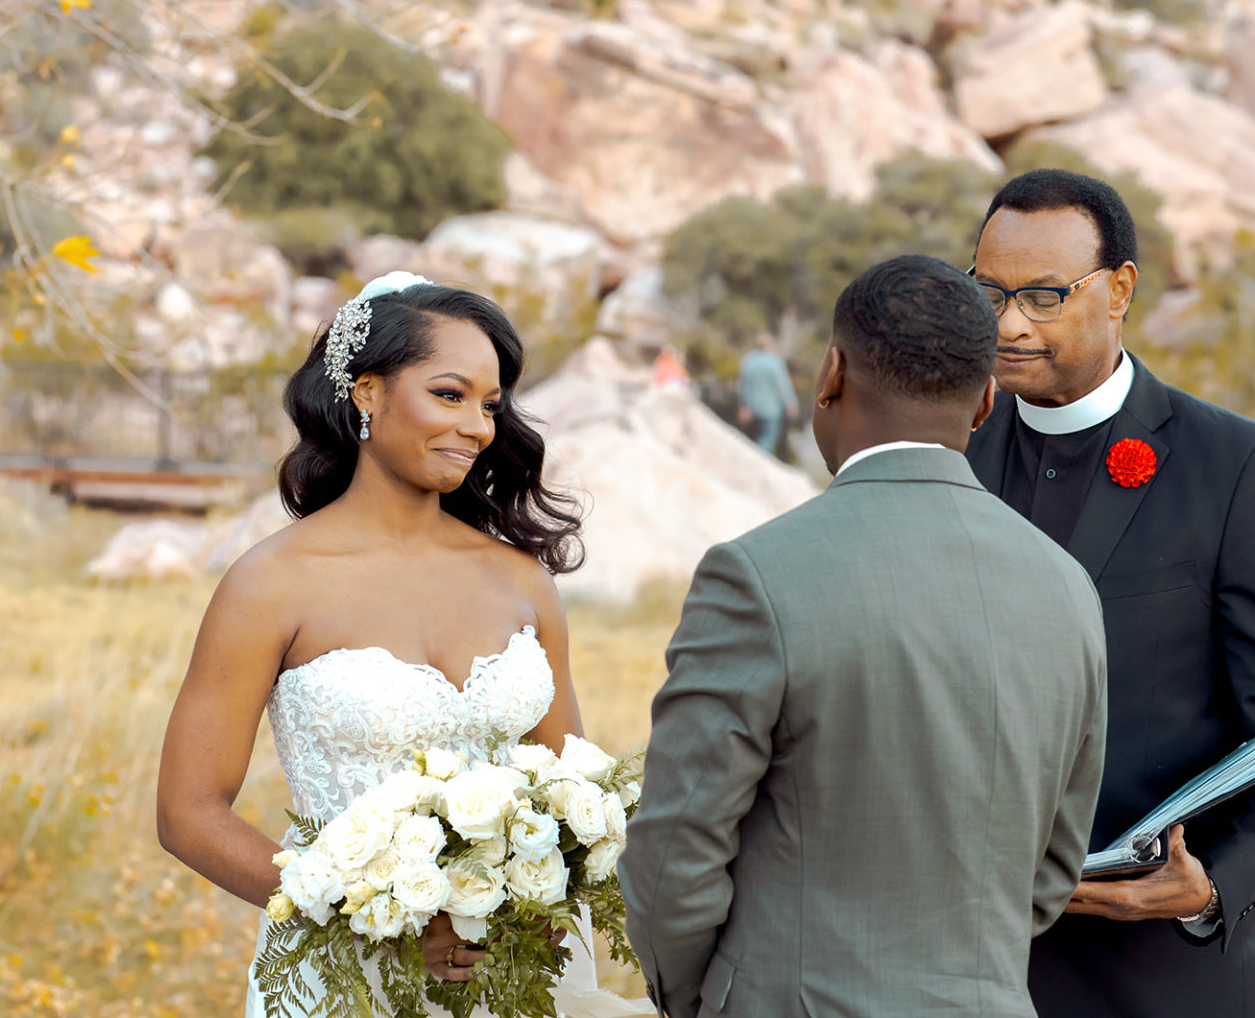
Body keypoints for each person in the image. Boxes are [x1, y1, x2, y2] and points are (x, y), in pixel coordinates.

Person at [619, 255, 1108, 1018]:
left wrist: (705, 998)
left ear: (831, 373)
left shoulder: (756, 574)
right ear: (985, 401)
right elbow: (1052, 868)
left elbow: (673, 853)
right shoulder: (1069, 587)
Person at [153, 272, 646, 1017]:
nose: (478, 427)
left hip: (517, 973)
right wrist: (367, 917)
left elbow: (568, 787)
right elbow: (189, 812)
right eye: (449, 395)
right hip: (340, 977)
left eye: (489, 405)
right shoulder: (271, 585)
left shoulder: (523, 583)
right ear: (367, 393)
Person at [965, 168, 1255, 1016]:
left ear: (1120, 289)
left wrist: (1209, 894)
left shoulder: (1232, 466)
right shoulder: (947, 456)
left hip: (1158, 967)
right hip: (969, 963)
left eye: (1045, 295)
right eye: (990, 295)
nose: (1010, 324)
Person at [735, 332, 797, 458]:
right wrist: (790, 403)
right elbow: (783, 386)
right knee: (767, 439)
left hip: (751, 408)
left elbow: (742, 386)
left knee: (751, 438)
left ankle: (749, 458)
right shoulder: (774, 362)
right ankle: (757, 461)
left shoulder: (748, 361)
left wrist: (744, 406)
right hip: (771, 410)